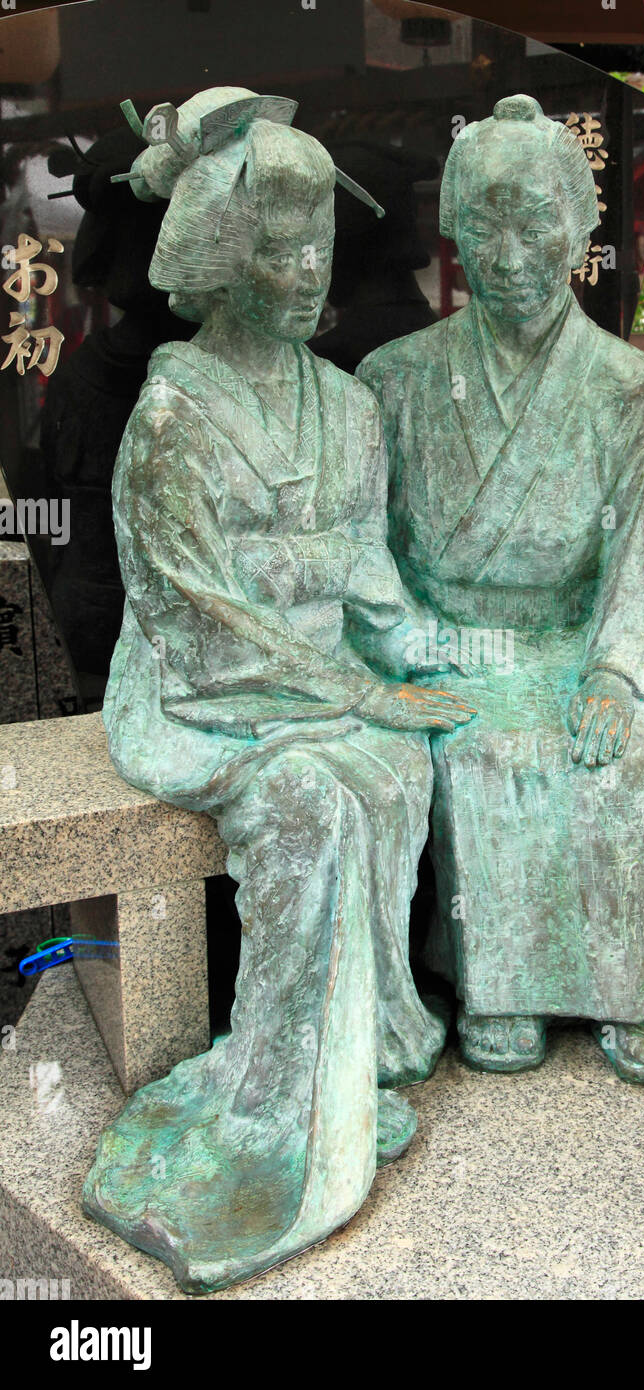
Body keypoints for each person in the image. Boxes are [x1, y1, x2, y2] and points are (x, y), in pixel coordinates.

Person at [82, 86, 474, 1294]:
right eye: (277, 247)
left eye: (318, 246)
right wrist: (344, 694)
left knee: (398, 763)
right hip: (206, 688)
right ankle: (270, 1098)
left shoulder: (347, 407)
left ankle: (352, 1053)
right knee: (310, 796)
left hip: (321, 674)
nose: (308, 272)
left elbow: (370, 580)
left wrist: (426, 653)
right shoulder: (170, 417)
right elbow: (188, 611)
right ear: (218, 255)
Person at [357, 95, 644, 1086]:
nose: (509, 251)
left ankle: (628, 993)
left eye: (533, 224)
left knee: (604, 741)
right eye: (482, 223)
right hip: (451, 636)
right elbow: (361, 551)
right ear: (449, 230)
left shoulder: (629, 389)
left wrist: (615, 671)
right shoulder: (395, 379)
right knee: (478, 742)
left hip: (578, 634)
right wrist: (408, 641)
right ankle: (499, 989)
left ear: (575, 231)